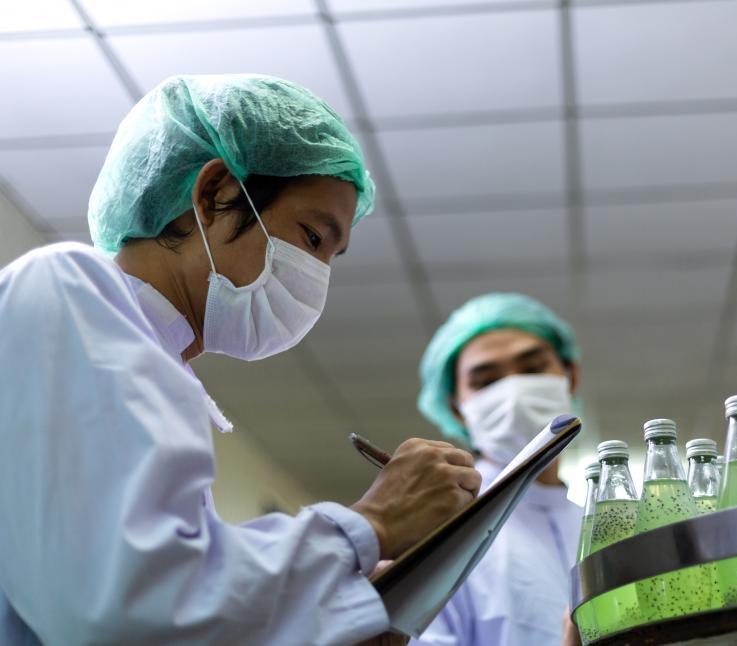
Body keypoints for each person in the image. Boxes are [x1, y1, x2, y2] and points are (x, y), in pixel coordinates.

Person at [0, 74, 481, 645]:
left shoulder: (161, 370)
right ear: (214, 194)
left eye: (333, 255)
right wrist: (373, 521)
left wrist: (333, 611)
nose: (318, 275)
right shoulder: (66, 288)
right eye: (311, 237)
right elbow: (126, 607)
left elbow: (177, 605)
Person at [412, 293, 583, 646]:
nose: (514, 392)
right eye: (486, 381)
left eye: (533, 369)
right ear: (457, 409)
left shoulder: (601, 526)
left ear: (571, 377)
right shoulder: (437, 534)